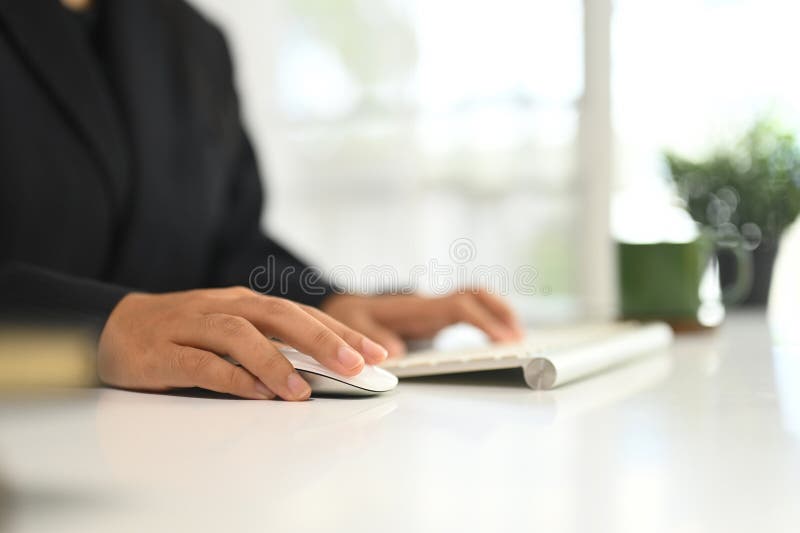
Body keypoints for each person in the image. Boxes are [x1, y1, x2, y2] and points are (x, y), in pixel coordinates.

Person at [0, 0, 523, 401]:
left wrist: (329, 304)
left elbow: (226, 245)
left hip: (172, 450)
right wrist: (103, 321)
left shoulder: (191, 40)